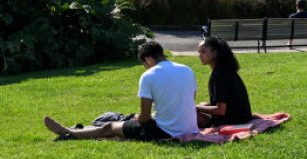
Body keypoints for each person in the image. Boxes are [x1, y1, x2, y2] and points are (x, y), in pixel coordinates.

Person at [43, 41, 197, 141]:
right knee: (121, 126)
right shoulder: (187, 69)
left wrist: (138, 117)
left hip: (165, 132)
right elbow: (189, 101)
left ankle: (70, 133)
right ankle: (79, 130)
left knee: (110, 127)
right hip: (189, 127)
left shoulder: (149, 75)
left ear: (148, 59)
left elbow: (144, 118)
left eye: (144, 63)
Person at [194, 37, 252, 128]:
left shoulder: (219, 75)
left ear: (215, 53)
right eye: (199, 52)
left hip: (233, 121)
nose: (199, 55)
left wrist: (196, 108)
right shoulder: (225, 70)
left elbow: (221, 110)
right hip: (243, 117)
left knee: (190, 114)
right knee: (202, 105)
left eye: (203, 52)